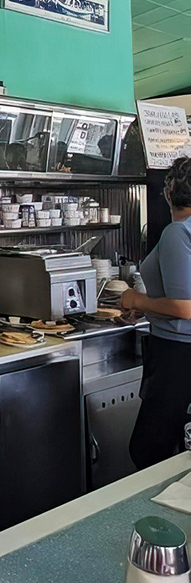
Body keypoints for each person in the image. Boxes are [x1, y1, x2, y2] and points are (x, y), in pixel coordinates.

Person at [123, 156, 191, 469]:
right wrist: (150, 309)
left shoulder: (177, 233)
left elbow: (184, 308)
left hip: (177, 356)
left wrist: (136, 300)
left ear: (167, 192)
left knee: (148, 450)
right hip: (178, 352)